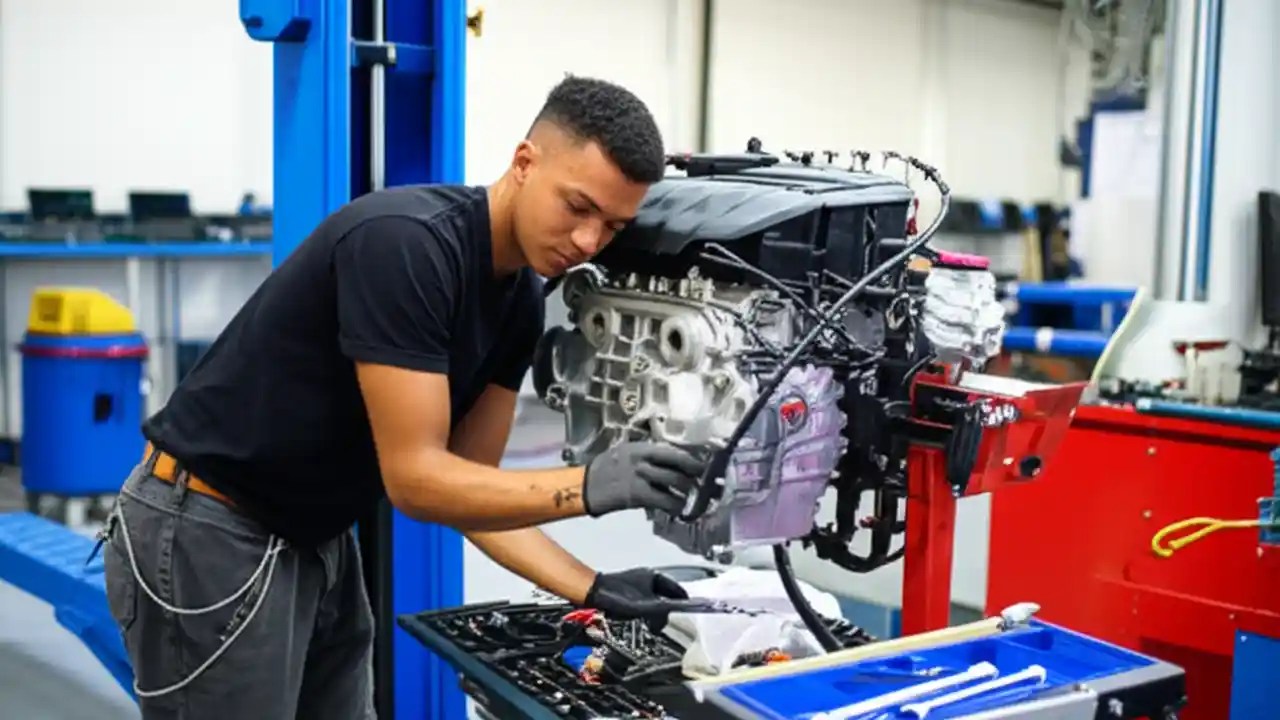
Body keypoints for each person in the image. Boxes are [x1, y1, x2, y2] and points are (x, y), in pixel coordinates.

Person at [101, 75, 708, 719]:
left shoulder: (521, 301)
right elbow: (416, 481)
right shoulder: (406, 245)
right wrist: (587, 487)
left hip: (313, 535)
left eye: (611, 226)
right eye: (577, 207)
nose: (589, 242)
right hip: (212, 526)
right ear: (524, 162)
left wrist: (596, 587)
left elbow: (467, 490)